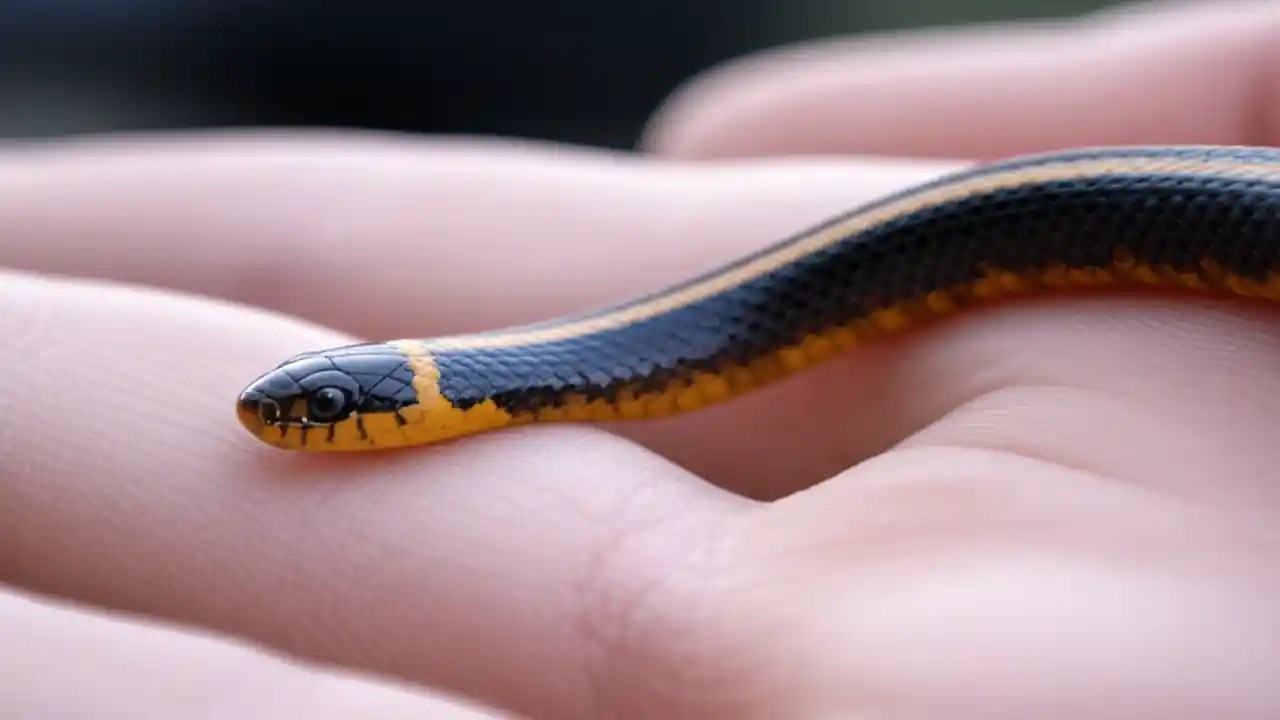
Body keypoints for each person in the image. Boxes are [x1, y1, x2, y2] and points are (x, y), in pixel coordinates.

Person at [2, 2, 1278, 717]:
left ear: (418, 398)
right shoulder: (609, 355)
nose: (299, 420)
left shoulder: (610, 359)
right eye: (321, 410)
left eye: (330, 410)